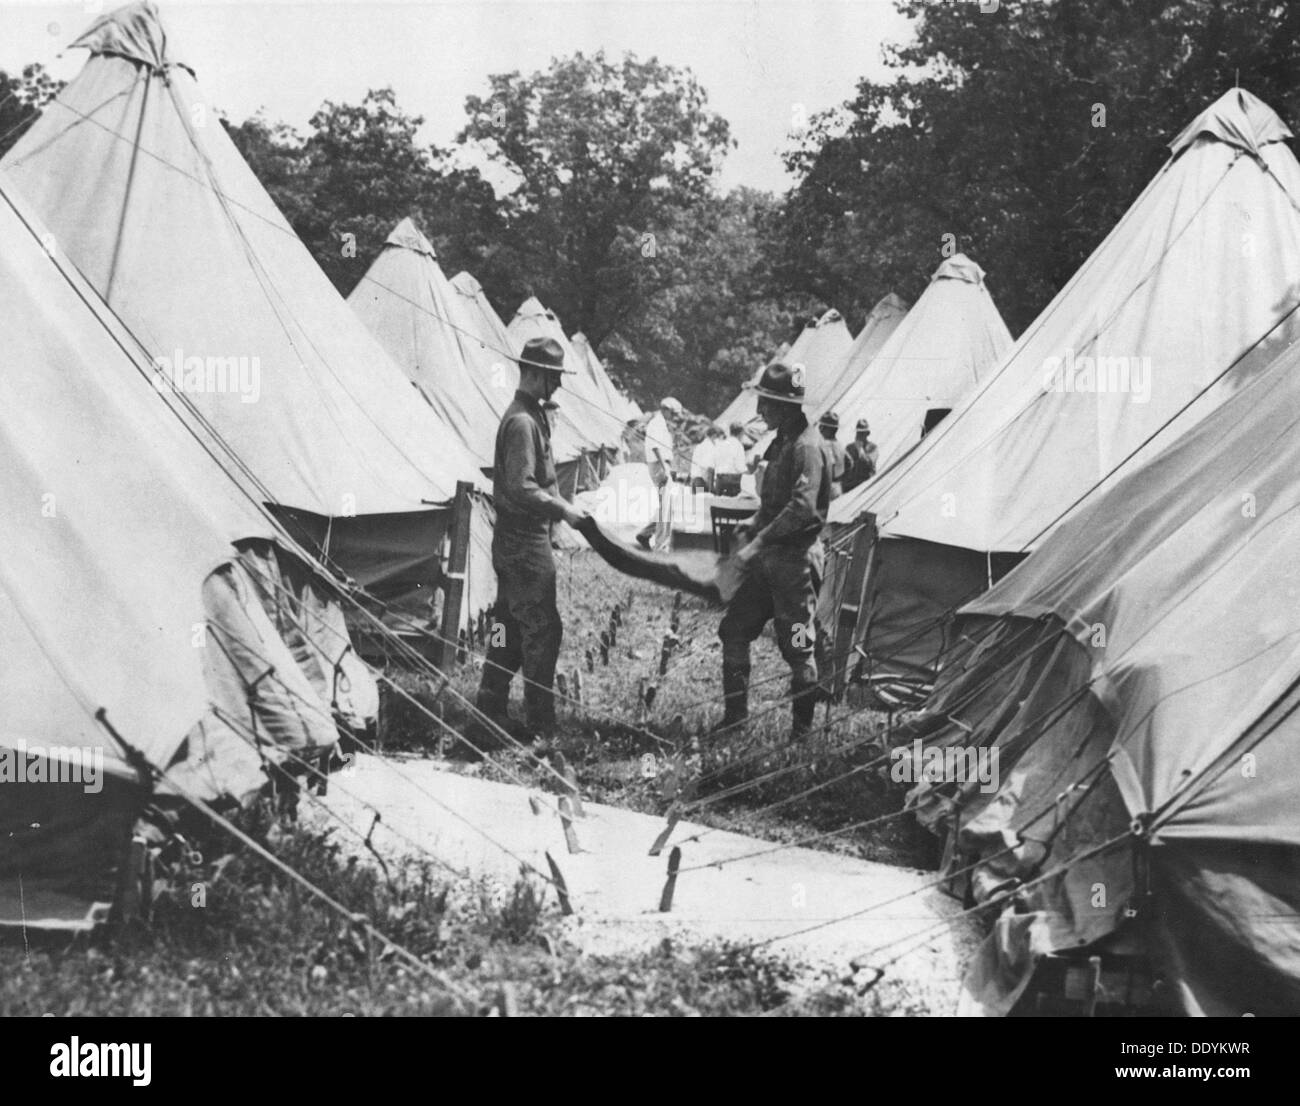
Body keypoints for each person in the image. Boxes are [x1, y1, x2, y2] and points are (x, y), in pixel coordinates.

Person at [476, 336, 589, 740]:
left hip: (516, 542)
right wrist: (564, 510)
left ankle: (488, 708)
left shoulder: (530, 415)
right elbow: (523, 487)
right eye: (554, 377)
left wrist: (563, 516)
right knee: (542, 629)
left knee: (507, 624)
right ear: (536, 373)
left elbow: (542, 481)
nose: (558, 385)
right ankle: (541, 723)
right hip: (524, 545)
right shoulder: (523, 422)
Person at [717, 362, 831, 740]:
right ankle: (735, 720)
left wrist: (758, 542)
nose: (761, 409)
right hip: (767, 565)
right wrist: (749, 528)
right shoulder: (781, 442)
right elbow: (772, 505)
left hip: (794, 567)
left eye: (767, 402)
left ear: (785, 406)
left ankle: (801, 736)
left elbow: (801, 509)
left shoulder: (807, 447)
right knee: (734, 630)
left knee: (800, 648)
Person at [644, 396, 681, 550]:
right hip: (659, 465)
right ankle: (661, 545)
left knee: (665, 505)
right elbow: (655, 446)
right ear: (665, 410)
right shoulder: (656, 424)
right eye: (672, 413)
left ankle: (645, 533)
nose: (673, 417)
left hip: (662, 464)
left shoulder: (661, 424)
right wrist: (665, 468)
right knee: (666, 507)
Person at [711, 422, 749, 497]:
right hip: (732, 480)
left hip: (719, 479)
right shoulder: (738, 445)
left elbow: (714, 461)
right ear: (741, 433)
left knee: (718, 503)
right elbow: (740, 467)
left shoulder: (721, 444)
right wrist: (749, 472)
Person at [842, 417, 880, 492]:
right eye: (858, 433)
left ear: (867, 434)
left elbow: (868, 463)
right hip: (851, 486)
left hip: (866, 485)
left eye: (862, 433)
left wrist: (860, 449)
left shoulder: (873, 448)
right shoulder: (849, 448)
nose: (859, 435)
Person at [818, 411, 847, 500]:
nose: (820, 429)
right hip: (837, 486)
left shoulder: (825, 445)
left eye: (822, 427)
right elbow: (849, 463)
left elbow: (830, 464)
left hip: (827, 488)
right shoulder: (840, 445)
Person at [690, 425, 724, 493]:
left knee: (698, 502)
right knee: (702, 502)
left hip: (694, 481)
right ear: (714, 436)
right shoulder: (709, 447)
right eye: (721, 438)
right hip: (700, 482)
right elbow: (710, 468)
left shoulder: (700, 446)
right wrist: (711, 488)